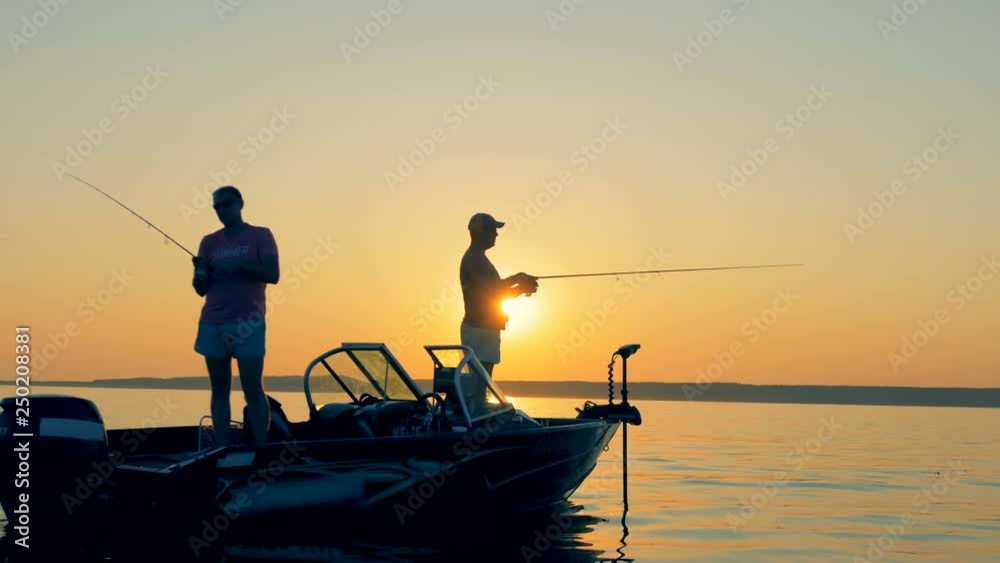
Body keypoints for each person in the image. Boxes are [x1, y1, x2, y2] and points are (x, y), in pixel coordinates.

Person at [192, 186, 279, 446]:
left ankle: (261, 448)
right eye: (216, 207)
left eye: (226, 204)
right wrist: (201, 271)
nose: (222, 210)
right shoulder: (208, 242)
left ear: (240, 203)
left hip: (248, 322)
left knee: (253, 388)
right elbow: (200, 288)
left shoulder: (261, 235)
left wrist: (238, 265)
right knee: (219, 389)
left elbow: (272, 274)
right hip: (213, 322)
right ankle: (221, 447)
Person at [459, 212, 538, 378]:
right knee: (479, 382)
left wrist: (521, 287)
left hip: (484, 331)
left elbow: (494, 294)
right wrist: (518, 279)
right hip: (479, 331)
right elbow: (493, 290)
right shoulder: (474, 259)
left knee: (482, 382)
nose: (496, 234)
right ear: (481, 232)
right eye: (493, 230)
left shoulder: (478, 258)